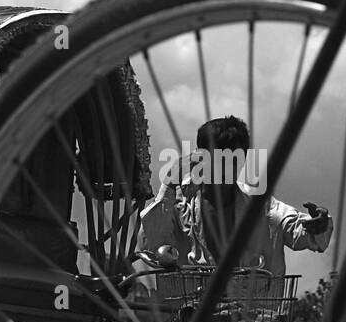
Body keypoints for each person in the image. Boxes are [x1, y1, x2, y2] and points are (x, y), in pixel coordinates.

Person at [137, 116, 331, 281]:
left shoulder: (260, 206)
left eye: (234, 160)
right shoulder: (177, 203)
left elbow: (295, 227)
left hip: (251, 313)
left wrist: (317, 225)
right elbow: (150, 245)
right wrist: (170, 183)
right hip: (188, 314)